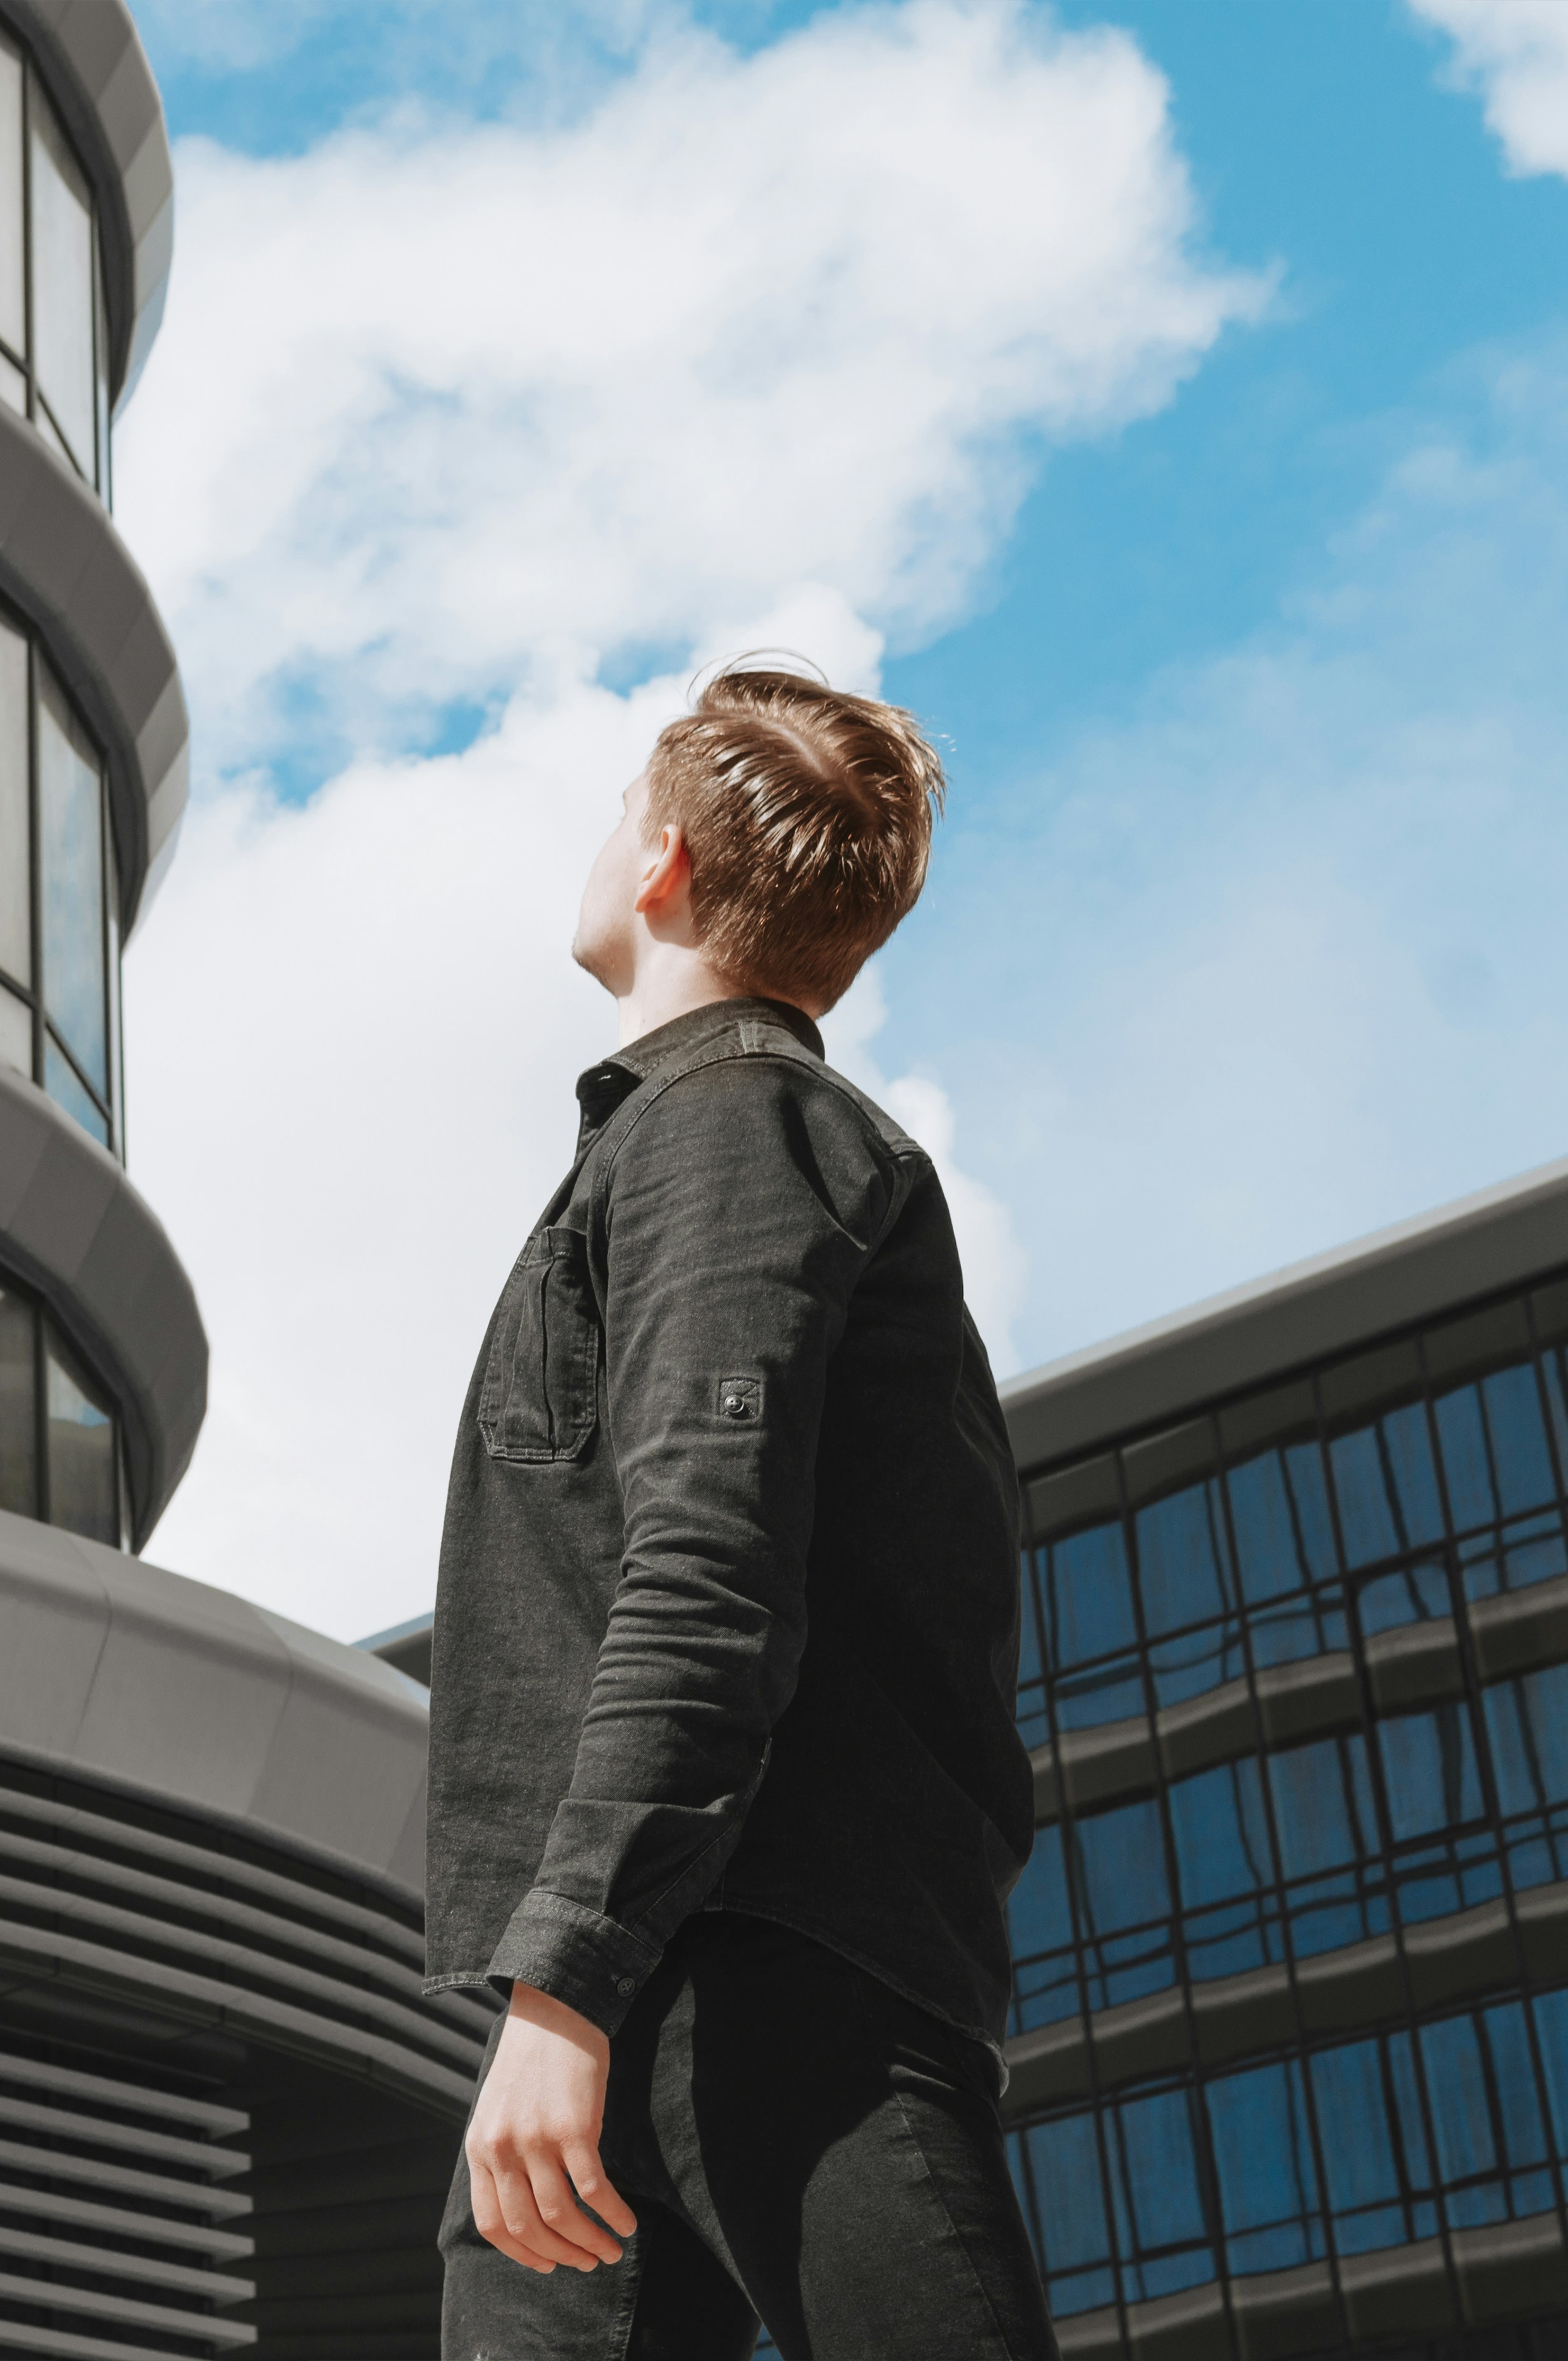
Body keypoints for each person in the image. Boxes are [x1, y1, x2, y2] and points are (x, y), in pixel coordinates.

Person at [425, 663, 1050, 2359]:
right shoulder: (705, 1140)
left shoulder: (728, 1128)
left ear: (661, 864)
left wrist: (563, 1988)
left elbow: (708, 1574)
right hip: (641, 1982)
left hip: (750, 1960)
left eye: (616, 808)